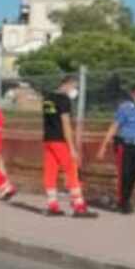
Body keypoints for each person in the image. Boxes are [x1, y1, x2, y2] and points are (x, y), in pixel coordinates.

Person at [96, 83, 135, 214]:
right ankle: (124, 202)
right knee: (125, 174)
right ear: (132, 95)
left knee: (134, 174)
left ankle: (126, 198)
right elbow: (114, 126)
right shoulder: (124, 108)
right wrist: (103, 146)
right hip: (124, 144)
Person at [42, 75, 97, 218]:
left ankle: (52, 205)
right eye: (75, 87)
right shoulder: (63, 99)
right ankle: (79, 206)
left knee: (50, 172)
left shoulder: (48, 98)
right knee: (72, 169)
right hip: (60, 140)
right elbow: (65, 124)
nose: (75, 90)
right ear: (68, 84)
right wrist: (72, 148)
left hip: (48, 139)